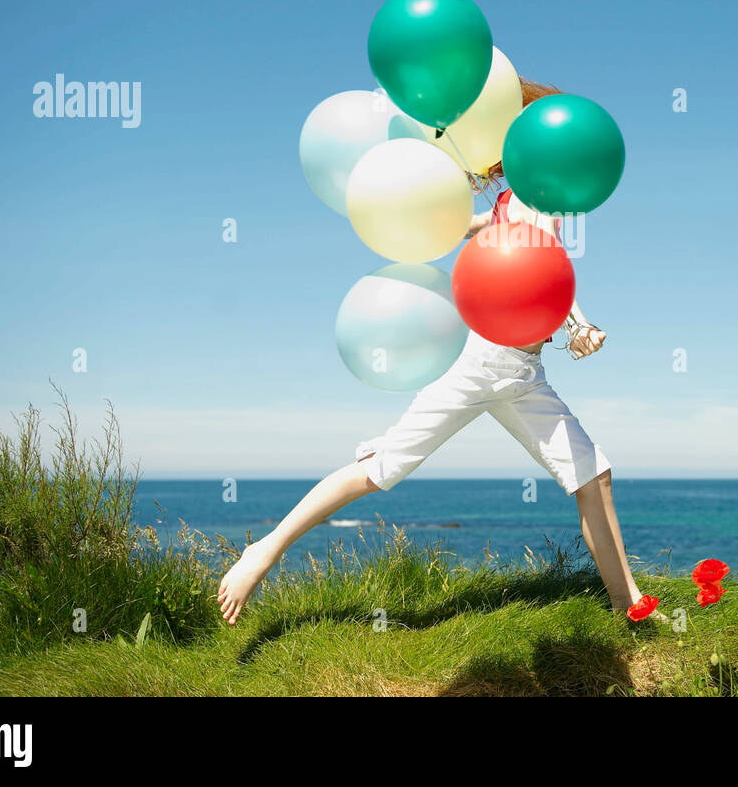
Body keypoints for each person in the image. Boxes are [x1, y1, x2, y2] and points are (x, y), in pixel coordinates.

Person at [217, 77, 646, 624]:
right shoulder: (531, 202)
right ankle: (265, 550)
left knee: (592, 474)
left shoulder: (518, 202)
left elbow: (540, 272)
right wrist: (577, 325)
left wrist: (576, 324)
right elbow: (537, 265)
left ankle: (627, 606)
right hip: (486, 361)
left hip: (522, 369)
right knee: (381, 469)